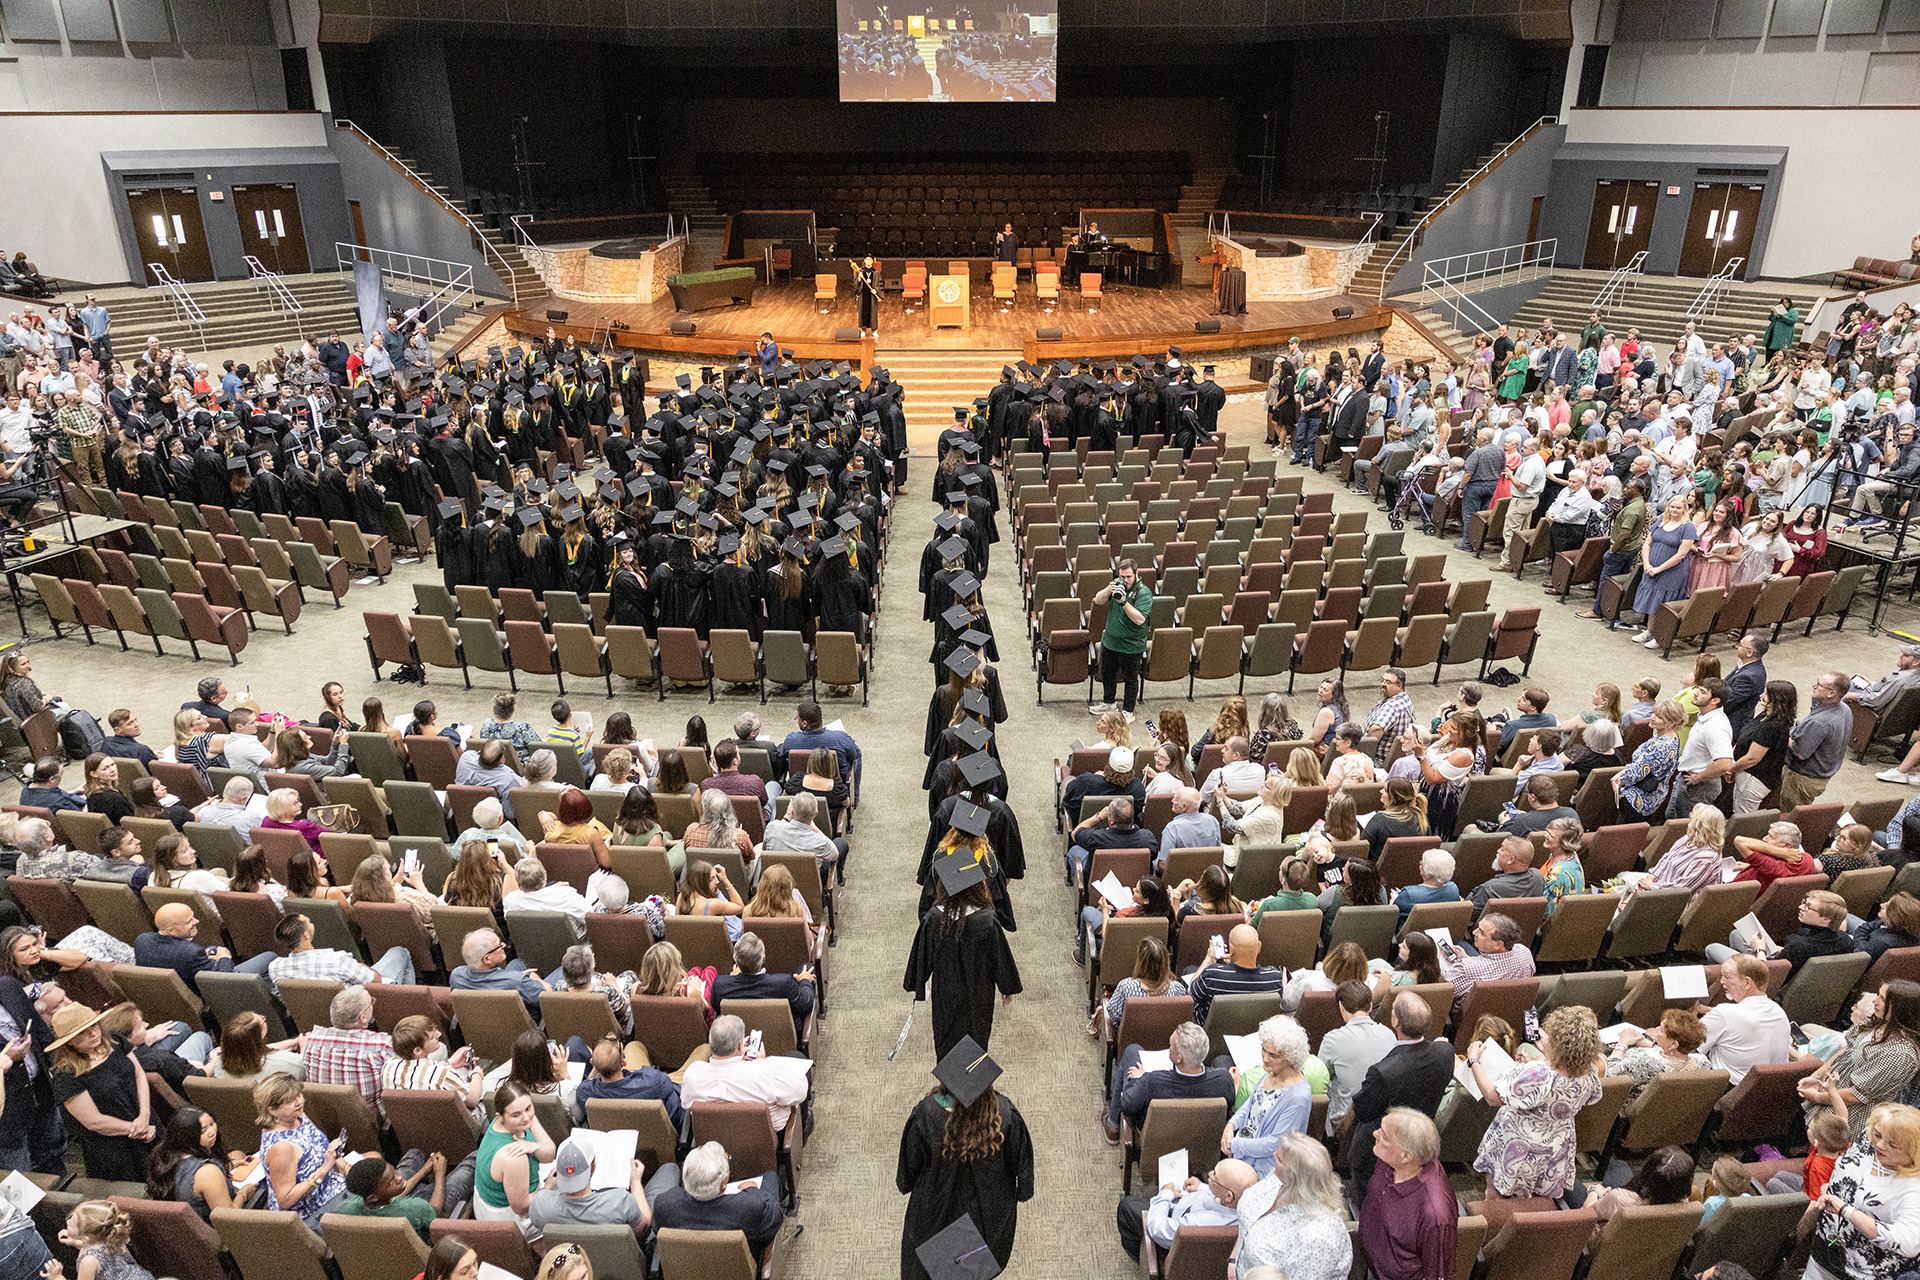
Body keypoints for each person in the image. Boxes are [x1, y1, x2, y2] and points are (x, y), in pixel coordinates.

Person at [896, 1036, 1034, 1280]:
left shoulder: (927, 1114)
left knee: (934, 1271)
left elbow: (908, 1172)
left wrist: (908, 1183)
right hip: (986, 1218)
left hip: (936, 1217)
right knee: (970, 1273)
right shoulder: (1005, 1115)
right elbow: (1022, 1172)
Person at [1470, 1004, 1603, 1199]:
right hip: (1554, 1148)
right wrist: (1539, 1061)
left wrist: (1474, 1060)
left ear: (1560, 1044)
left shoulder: (1539, 1074)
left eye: (1549, 1033)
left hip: (1518, 1147)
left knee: (1496, 1196)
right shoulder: (1590, 1072)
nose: (1541, 1032)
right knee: (1534, 1201)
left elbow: (1491, 1096)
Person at [904, 851, 1021, 1058]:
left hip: (945, 994)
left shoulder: (934, 919)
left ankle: (947, 1087)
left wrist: (917, 983)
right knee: (977, 1041)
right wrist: (1007, 987)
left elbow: (922, 957)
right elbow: (999, 959)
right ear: (978, 887)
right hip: (979, 994)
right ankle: (976, 1087)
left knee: (946, 1040)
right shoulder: (986, 920)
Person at [1805, 1102, 1920, 1280]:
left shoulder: (1913, 1186)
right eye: (1878, 1134)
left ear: (1913, 1152)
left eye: (1893, 1144)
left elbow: (1909, 1243)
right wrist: (1835, 1186)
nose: (1880, 1145)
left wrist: (1847, 1211)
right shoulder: (1868, 1141)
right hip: (1825, 1254)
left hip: (1865, 1272)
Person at [1802, 981, 1920, 1140]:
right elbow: (1847, 1049)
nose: (1874, 1001)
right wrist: (1817, 1076)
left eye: (1883, 999)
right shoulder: (1878, 1022)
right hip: (1830, 1093)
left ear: (1900, 1008)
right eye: (1878, 994)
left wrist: (1817, 1096)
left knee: (1823, 1154)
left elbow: (1855, 1095)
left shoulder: (1901, 1053)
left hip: (1850, 1117)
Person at [1234, 1134, 1353, 1280]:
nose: (1274, 1154)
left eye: (1280, 1158)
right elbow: (1248, 1222)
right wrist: (1234, 1258)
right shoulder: (1279, 1179)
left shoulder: (1320, 1238)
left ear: (1296, 1175)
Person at [651, 1141, 784, 1268]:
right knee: (771, 1177)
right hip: (739, 1268)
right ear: (723, 1185)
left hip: (687, 1270)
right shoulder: (750, 1206)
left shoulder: (664, 1204)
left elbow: (658, 1230)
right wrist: (754, 1190)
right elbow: (776, 1217)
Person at [1358, 1108, 1456, 1280]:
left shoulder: (1435, 1214)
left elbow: (1437, 1274)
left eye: (1384, 1135)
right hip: (1371, 1261)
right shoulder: (1389, 1158)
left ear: (1406, 1156)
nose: (1375, 1133)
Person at [1105, 1020, 1234, 1144]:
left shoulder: (1151, 1082)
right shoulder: (1224, 1080)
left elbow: (1127, 1106)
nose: (1169, 1048)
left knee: (1132, 1051)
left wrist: (1137, 1079)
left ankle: (1113, 1127)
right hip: (1201, 1141)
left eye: (1170, 1046)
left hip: (1155, 1140)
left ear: (1179, 1058)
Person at [680, 1015, 811, 1135]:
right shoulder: (765, 1072)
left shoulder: (692, 1074)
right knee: (797, 1058)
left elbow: (686, 1104)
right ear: (739, 1045)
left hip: (714, 1139)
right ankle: (803, 1130)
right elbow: (800, 1092)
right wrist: (762, 1063)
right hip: (767, 1142)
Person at [1116, 1157, 1257, 1265]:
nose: (1209, 1174)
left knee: (1127, 1206)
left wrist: (1165, 1194)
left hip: (1173, 1247)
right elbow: (1220, 1198)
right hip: (1188, 1221)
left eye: (1215, 1176)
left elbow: (1158, 1228)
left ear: (1228, 1196)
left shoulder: (1200, 1224)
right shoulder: (1242, 1204)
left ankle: (1143, 1261)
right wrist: (1202, 1187)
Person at [1221, 1015, 1313, 1177]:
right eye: (1264, 1050)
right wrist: (1231, 1125)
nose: (1265, 1058)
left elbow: (1274, 1144)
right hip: (1246, 1155)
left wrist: (1234, 1144)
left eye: (1273, 1055)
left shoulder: (1298, 1097)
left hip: (1265, 1172)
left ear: (1291, 1058)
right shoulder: (1272, 1072)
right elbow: (1253, 1103)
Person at [528, 1135, 668, 1239]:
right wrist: (636, 1182)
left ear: (558, 1171)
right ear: (594, 1166)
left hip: (573, 1268)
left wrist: (548, 1187)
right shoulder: (621, 1201)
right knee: (670, 1169)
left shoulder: (540, 1203)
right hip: (621, 1267)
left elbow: (541, 1202)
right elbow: (644, 1230)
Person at [254, 1072, 346, 1227]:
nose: (298, 1102)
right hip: (311, 1212)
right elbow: (286, 1200)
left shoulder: (298, 1116)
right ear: (272, 1110)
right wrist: (324, 1169)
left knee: (374, 1164)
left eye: (298, 1095)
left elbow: (320, 1147)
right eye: (289, 1101)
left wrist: (344, 1166)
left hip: (330, 1184)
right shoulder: (282, 1148)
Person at [473, 1080, 558, 1238]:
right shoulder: (514, 1157)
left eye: (528, 1108)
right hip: (510, 1220)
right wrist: (548, 1189)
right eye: (516, 1115)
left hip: (502, 1199)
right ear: (500, 1117)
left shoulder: (520, 1119)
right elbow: (521, 1207)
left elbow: (549, 1153)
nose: (526, 1117)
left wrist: (535, 1147)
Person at [1700, 953, 1791, 1085]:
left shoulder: (1724, 1013)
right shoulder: (1779, 1012)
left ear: (1747, 983)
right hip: (1769, 1093)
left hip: (1728, 1091)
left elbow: (1685, 1043)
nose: (1722, 982)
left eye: (1727, 977)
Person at [1319, 981, 1395, 1134]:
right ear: (1371, 1006)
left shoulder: (1332, 1039)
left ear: (1341, 1006)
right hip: (1383, 1117)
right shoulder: (1389, 1034)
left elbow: (1321, 1078)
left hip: (1345, 1123)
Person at [270, 909, 415, 987]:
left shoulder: (275, 969)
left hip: (322, 1016)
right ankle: (409, 1007)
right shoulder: (336, 960)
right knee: (400, 952)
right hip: (360, 1007)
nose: (312, 923)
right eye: (309, 923)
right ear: (305, 935)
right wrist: (360, 965)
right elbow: (375, 981)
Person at [712, 931, 815, 1040]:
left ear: (736, 961)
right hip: (780, 1038)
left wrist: (732, 980)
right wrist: (804, 980)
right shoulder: (783, 983)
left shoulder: (720, 985)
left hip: (737, 1038)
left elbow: (717, 1008)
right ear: (763, 958)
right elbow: (806, 1004)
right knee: (807, 967)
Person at [144, 1106, 237, 1223]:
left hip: (186, 1229)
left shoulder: (163, 1157)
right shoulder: (208, 1172)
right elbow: (229, 1221)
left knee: (237, 1155)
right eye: (203, 1131)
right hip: (216, 1230)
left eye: (212, 1124)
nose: (212, 1132)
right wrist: (243, 1194)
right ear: (188, 1135)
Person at [571, 1032, 682, 1128]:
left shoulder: (585, 1093)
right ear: (623, 1063)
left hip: (625, 1136)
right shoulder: (652, 1082)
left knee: (634, 1046)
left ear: (593, 1063)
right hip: (672, 1106)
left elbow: (589, 1082)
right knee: (699, 1052)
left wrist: (597, 1066)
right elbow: (666, 1083)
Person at [1186, 923, 1285, 1026]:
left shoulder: (1212, 974)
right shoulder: (1275, 977)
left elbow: (1190, 994)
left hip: (1211, 1035)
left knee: (1189, 970)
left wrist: (1208, 960)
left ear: (1231, 949)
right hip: (1256, 1033)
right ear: (1259, 947)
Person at [1781, 671, 1854, 808]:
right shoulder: (1845, 709)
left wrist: (1785, 733)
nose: (1814, 685)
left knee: (1790, 815)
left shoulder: (1820, 722)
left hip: (1802, 778)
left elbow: (1801, 752)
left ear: (1831, 693)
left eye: (1819, 685)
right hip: (1821, 776)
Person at [338, 1153, 452, 1240]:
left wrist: (422, 1172)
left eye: (395, 1173)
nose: (400, 1178)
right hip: (428, 1247)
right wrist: (440, 1173)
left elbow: (386, 1199)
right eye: (391, 1181)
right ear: (373, 1197)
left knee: (414, 1154)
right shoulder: (416, 1208)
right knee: (467, 1167)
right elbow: (435, 1214)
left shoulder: (347, 1208)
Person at [1091, 559, 1152, 716]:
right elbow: (1097, 601)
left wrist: (1124, 602)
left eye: (1128, 577)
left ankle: (1128, 711)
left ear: (1136, 574)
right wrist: (1108, 590)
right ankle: (1109, 703)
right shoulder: (1117, 584)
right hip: (1111, 641)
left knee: (1130, 679)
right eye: (1122, 576)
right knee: (1108, 674)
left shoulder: (1143, 593)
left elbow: (1140, 619)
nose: (1124, 580)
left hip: (1131, 645)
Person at [1439, 913, 1535, 1013]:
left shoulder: (1465, 969)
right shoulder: (1525, 952)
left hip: (1472, 1015)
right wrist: (1466, 958)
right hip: (1510, 1010)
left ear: (1498, 945)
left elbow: (1444, 992)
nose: (1474, 933)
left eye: (1481, 932)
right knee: (1462, 944)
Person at [1605, 1009, 1709, 1101]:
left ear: (1674, 1044)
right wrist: (1651, 1044)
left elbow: (1608, 1077)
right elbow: (1672, 1056)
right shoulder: (1703, 1063)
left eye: (1661, 1030)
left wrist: (1622, 1043)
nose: (1656, 1029)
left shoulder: (1645, 1062)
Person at [450, 928, 547, 1014]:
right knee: (560, 970)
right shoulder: (517, 981)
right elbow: (546, 1001)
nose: (503, 946)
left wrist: (517, 976)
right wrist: (535, 979)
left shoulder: (456, 976)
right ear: (487, 959)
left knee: (517, 963)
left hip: (484, 1025)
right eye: (499, 945)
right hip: (525, 1028)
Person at [1469, 836, 1546, 916]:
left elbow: (1469, 916)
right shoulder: (1538, 877)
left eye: (1502, 849)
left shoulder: (1489, 888)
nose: (1498, 851)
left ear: (1511, 860)